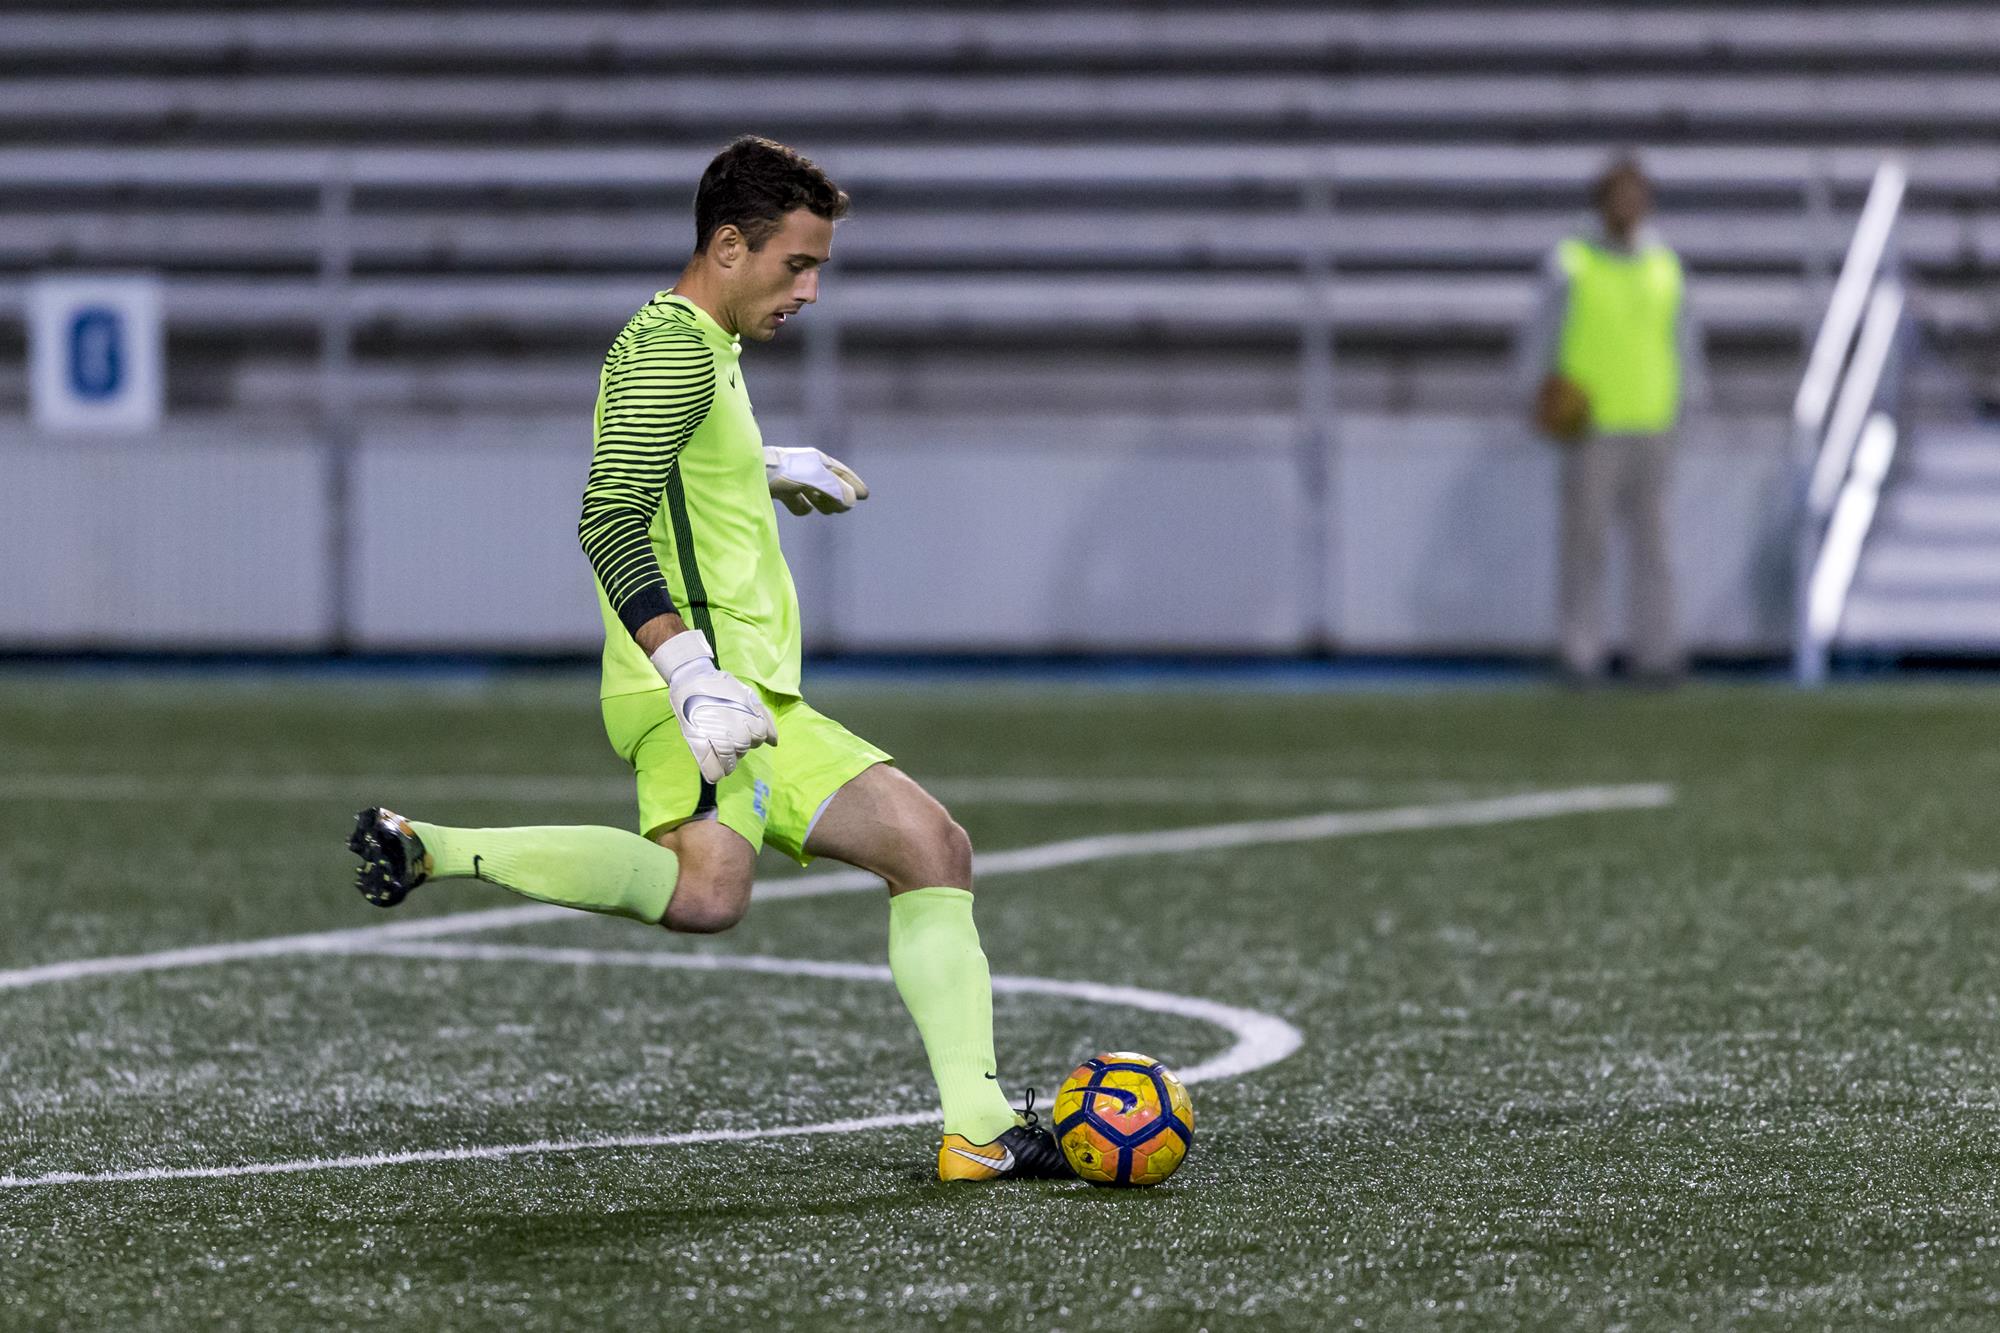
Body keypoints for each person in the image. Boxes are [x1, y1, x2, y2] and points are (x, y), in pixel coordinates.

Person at [344, 136, 1069, 1182]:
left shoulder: (698, 344)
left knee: (930, 848)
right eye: (796, 264)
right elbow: (608, 514)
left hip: (754, 689)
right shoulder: (676, 347)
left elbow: (665, 463)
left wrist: (756, 467)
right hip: (701, 684)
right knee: (706, 894)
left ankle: (979, 1130)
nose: (810, 291)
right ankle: (433, 848)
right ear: (729, 247)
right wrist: (688, 674)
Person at [1521, 154, 1708, 685]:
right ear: (1602, 203)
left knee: (1655, 549)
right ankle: (1581, 654)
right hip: (1591, 429)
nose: (1628, 206)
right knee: (1585, 546)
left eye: (1635, 196)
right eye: (1619, 196)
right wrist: (1535, 396)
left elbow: (1685, 344)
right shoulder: (1571, 263)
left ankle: (1657, 654)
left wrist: (1691, 404)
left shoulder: (1665, 264)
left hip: (1652, 423)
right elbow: (1539, 339)